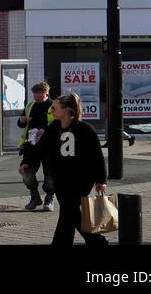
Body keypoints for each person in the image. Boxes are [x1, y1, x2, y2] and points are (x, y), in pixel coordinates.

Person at [25, 93, 108, 246]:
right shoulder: (54, 127)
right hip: (60, 178)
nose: (51, 111)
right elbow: (40, 148)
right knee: (69, 212)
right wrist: (27, 162)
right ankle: (95, 241)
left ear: (67, 110)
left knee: (69, 210)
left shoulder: (84, 129)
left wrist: (101, 179)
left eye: (55, 108)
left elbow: (96, 156)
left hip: (81, 178)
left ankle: (89, 241)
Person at [16, 81, 55, 211]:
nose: (37, 97)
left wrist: (45, 130)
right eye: (35, 94)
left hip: (49, 148)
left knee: (50, 177)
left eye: (40, 94)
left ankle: (49, 198)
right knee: (26, 172)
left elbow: (59, 125)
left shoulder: (54, 106)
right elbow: (21, 123)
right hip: (31, 146)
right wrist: (22, 121)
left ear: (47, 93)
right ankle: (35, 197)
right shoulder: (30, 106)